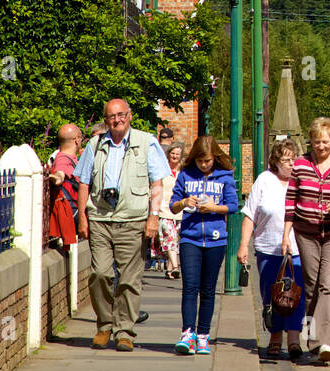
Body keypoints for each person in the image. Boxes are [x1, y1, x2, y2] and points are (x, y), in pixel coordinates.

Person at [75, 98, 171, 351]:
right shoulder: (95, 145)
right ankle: (105, 325)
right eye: (111, 116)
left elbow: (157, 183)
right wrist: (82, 216)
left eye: (121, 115)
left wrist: (154, 216)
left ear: (129, 115)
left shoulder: (146, 142)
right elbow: (84, 182)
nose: (116, 120)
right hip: (100, 218)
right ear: (105, 120)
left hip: (134, 219)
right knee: (100, 274)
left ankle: (125, 331)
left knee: (129, 278)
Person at [282, 117, 330, 365]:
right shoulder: (301, 164)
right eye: (316, 142)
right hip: (306, 232)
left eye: (325, 142)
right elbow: (290, 200)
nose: (321, 147)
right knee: (313, 286)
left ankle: (326, 342)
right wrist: (286, 234)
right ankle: (311, 336)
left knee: (329, 285)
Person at [169, 136, 238, 355]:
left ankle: (203, 335)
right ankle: (187, 333)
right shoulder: (186, 175)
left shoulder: (225, 177)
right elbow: (172, 206)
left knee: (208, 290)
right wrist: (184, 202)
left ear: (215, 158)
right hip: (190, 237)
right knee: (190, 286)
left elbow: (233, 206)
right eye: (200, 160)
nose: (204, 164)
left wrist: (214, 208)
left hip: (216, 239)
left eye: (207, 160)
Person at [240, 139, 306, 360]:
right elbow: (250, 214)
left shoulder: (301, 180)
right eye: (286, 160)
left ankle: (295, 340)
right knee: (272, 295)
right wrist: (243, 246)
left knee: (297, 295)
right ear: (275, 161)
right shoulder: (264, 180)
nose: (291, 164)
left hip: (298, 248)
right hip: (268, 247)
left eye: (293, 159)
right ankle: (275, 338)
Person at [46, 123, 83, 247]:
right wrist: (56, 178)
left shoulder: (71, 158)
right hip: (73, 216)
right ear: (77, 139)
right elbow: (60, 174)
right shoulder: (63, 159)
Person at [154, 141, 185, 278]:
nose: (175, 156)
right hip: (164, 210)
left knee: (175, 241)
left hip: (181, 211)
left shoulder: (184, 173)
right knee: (170, 238)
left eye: (177, 154)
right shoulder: (162, 170)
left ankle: (170, 270)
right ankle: (176, 267)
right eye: (173, 153)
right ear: (168, 154)